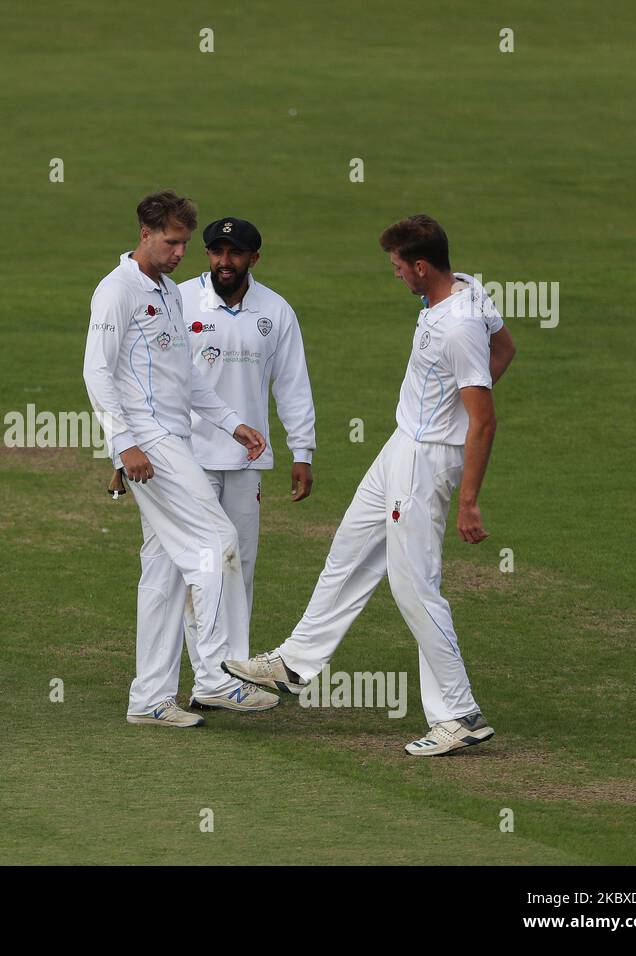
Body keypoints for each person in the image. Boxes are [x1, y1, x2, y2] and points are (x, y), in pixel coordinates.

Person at [224, 214, 516, 755]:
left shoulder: (455, 325)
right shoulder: (469, 289)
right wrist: (446, 406)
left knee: (414, 585)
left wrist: (469, 499)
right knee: (350, 549)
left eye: (399, 267)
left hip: (425, 460)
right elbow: (506, 350)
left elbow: (485, 418)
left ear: (422, 267)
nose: (396, 275)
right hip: (403, 445)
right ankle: (295, 662)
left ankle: (459, 713)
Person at [83, 190, 276, 728]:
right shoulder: (116, 290)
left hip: (175, 437)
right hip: (151, 443)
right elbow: (96, 372)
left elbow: (185, 376)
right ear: (145, 234)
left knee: (165, 573)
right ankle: (217, 679)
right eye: (171, 242)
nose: (179, 254)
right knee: (218, 543)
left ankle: (149, 699)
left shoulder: (168, 292)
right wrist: (123, 444)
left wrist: (232, 423)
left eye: (184, 244)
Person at [170, 217, 316, 708]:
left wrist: (303, 451)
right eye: (215, 252)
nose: (223, 262)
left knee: (239, 565)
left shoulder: (275, 312)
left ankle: (232, 672)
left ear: (254, 257)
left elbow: (293, 385)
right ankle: (209, 676)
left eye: (234, 253)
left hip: (246, 459)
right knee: (201, 565)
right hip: (187, 455)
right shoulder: (182, 301)